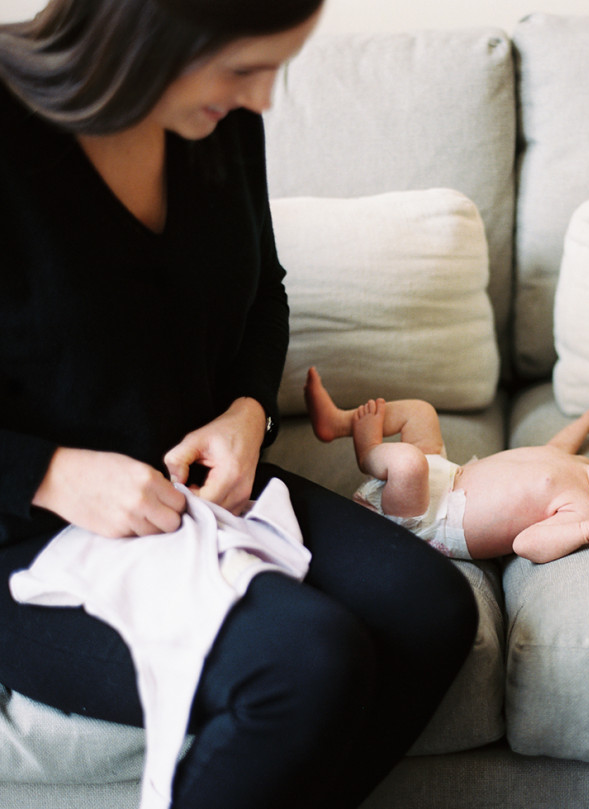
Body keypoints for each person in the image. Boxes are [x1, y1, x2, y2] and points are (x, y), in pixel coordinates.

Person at [0, 2, 478, 808]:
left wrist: (249, 410)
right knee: (305, 662)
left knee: (431, 610)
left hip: (192, 498)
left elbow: (267, 295)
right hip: (26, 530)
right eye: (243, 68)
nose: (262, 100)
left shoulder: (216, 124)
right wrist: (49, 474)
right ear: (150, 33)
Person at [304, 367, 589, 564]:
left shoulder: (584, 511)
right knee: (421, 412)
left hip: (428, 517)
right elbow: (552, 450)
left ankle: (367, 452)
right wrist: (586, 423)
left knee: (409, 462)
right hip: (448, 474)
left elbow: (528, 544)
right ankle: (338, 423)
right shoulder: (583, 467)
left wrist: (587, 532)